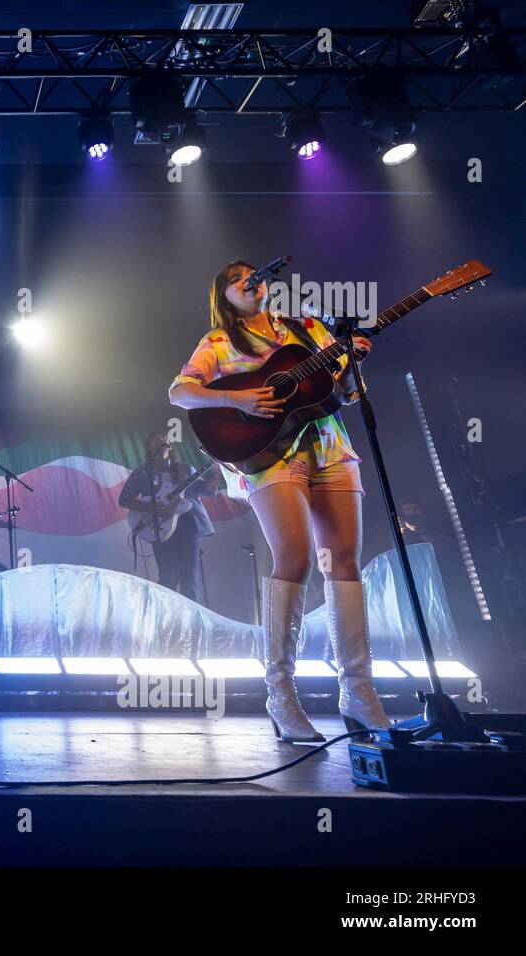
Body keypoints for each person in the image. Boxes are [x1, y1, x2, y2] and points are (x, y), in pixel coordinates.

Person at [168, 259, 391, 743]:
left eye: (255, 275)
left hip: (329, 446)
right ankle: (281, 694)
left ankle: (358, 692)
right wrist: (239, 400)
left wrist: (352, 363)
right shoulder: (218, 343)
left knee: (346, 563)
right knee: (295, 559)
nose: (251, 281)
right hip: (270, 458)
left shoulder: (307, 328)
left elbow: (346, 394)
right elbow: (180, 392)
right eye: (236, 279)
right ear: (223, 296)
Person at [119, 431, 218, 603]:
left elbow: (207, 491)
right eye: (155, 439)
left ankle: (191, 626)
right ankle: (169, 624)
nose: (162, 440)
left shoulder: (186, 469)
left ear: (170, 445)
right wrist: (150, 507)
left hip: (187, 525)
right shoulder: (142, 473)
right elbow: (124, 500)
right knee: (168, 580)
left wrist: (219, 470)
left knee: (189, 579)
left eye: (164, 438)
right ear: (149, 448)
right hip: (159, 527)